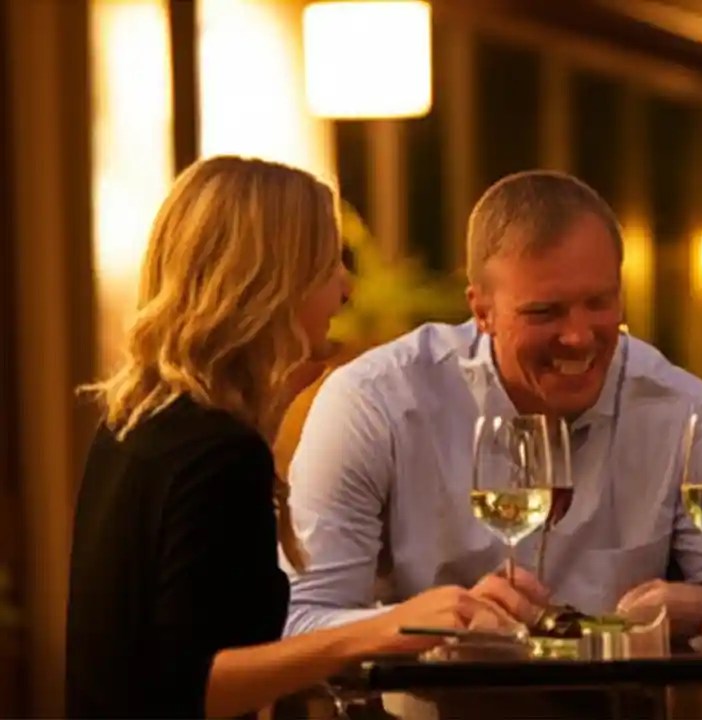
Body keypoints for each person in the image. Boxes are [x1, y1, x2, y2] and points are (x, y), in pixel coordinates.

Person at [283, 169, 702, 640]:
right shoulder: (378, 402)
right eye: (545, 312)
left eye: (599, 303)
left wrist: (697, 604)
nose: (579, 337)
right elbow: (301, 620)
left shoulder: (679, 408)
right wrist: (433, 619)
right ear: (481, 310)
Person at [66, 156, 503, 719]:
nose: (346, 289)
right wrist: (385, 628)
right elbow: (193, 688)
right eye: (327, 266)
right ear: (269, 284)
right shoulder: (219, 453)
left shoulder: (135, 424)